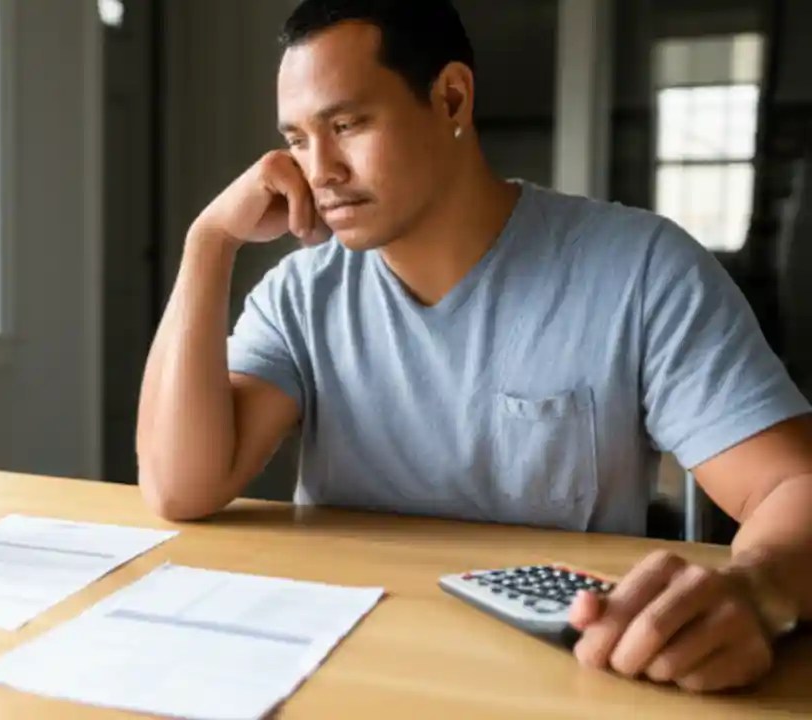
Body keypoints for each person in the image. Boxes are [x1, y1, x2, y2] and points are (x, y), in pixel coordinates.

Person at [136, 0, 812, 694]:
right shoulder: (303, 294)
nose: (321, 170)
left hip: (565, 680)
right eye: (299, 140)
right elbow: (180, 486)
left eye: (345, 125)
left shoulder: (641, 270)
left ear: (451, 97)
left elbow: (792, 484)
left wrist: (757, 590)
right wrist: (208, 243)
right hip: (341, 672)